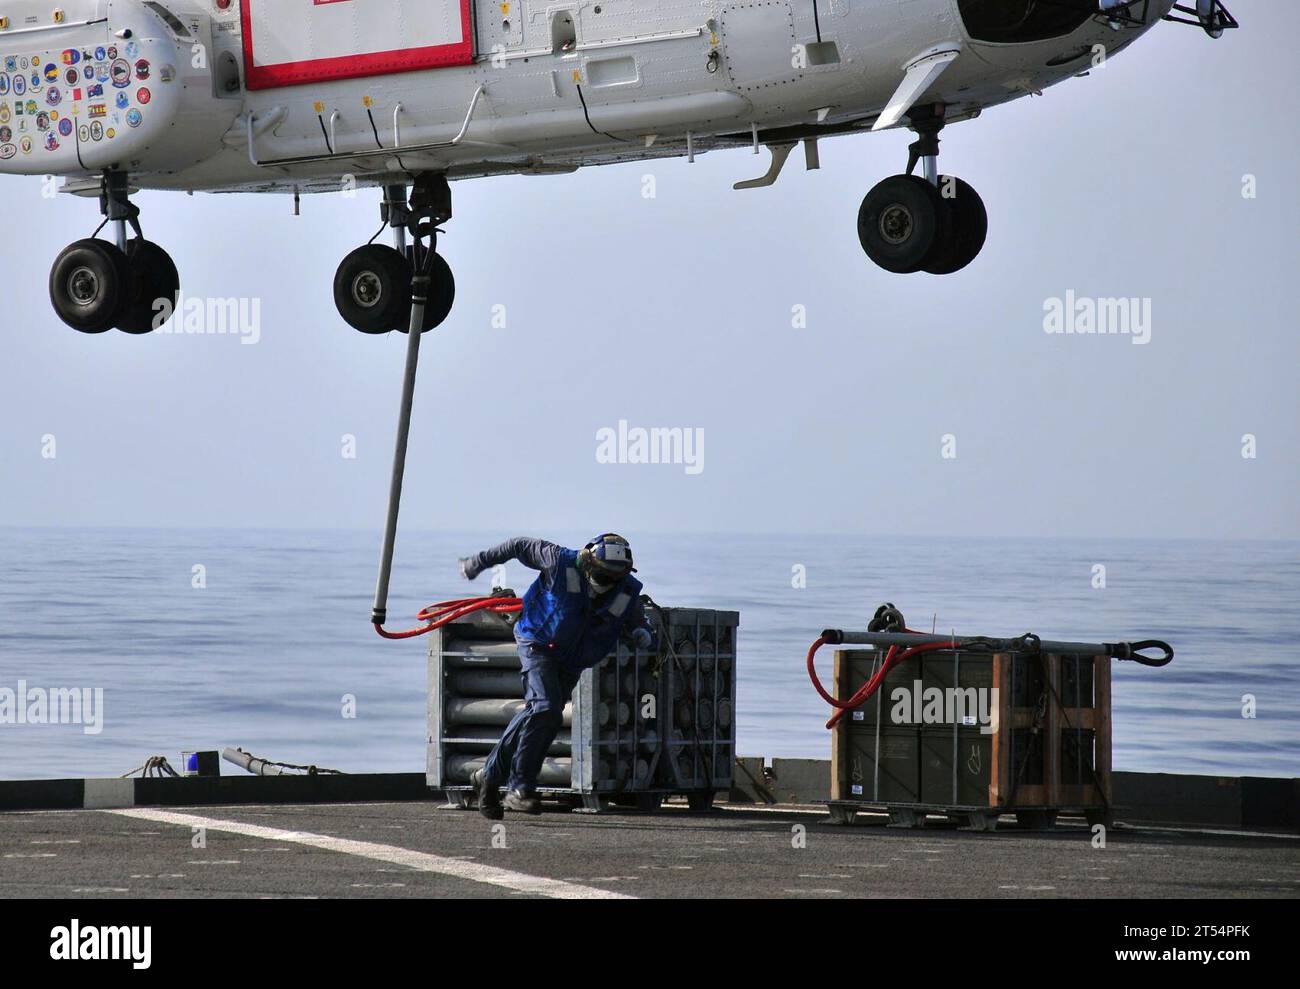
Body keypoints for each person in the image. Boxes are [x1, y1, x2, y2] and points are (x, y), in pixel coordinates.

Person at [458, 534, 654, 818]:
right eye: (602, 573)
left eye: (614, 577)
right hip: (538, 644)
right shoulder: (558, 560)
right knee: (546, 709)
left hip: (572, 661)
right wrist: (478, 562)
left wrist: (642, 632)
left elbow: (635, 618)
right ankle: (519, 788)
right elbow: (517, 545)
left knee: (537, 713)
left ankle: (488, 777)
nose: (606, 581)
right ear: (589, 562)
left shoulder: (626, 590)